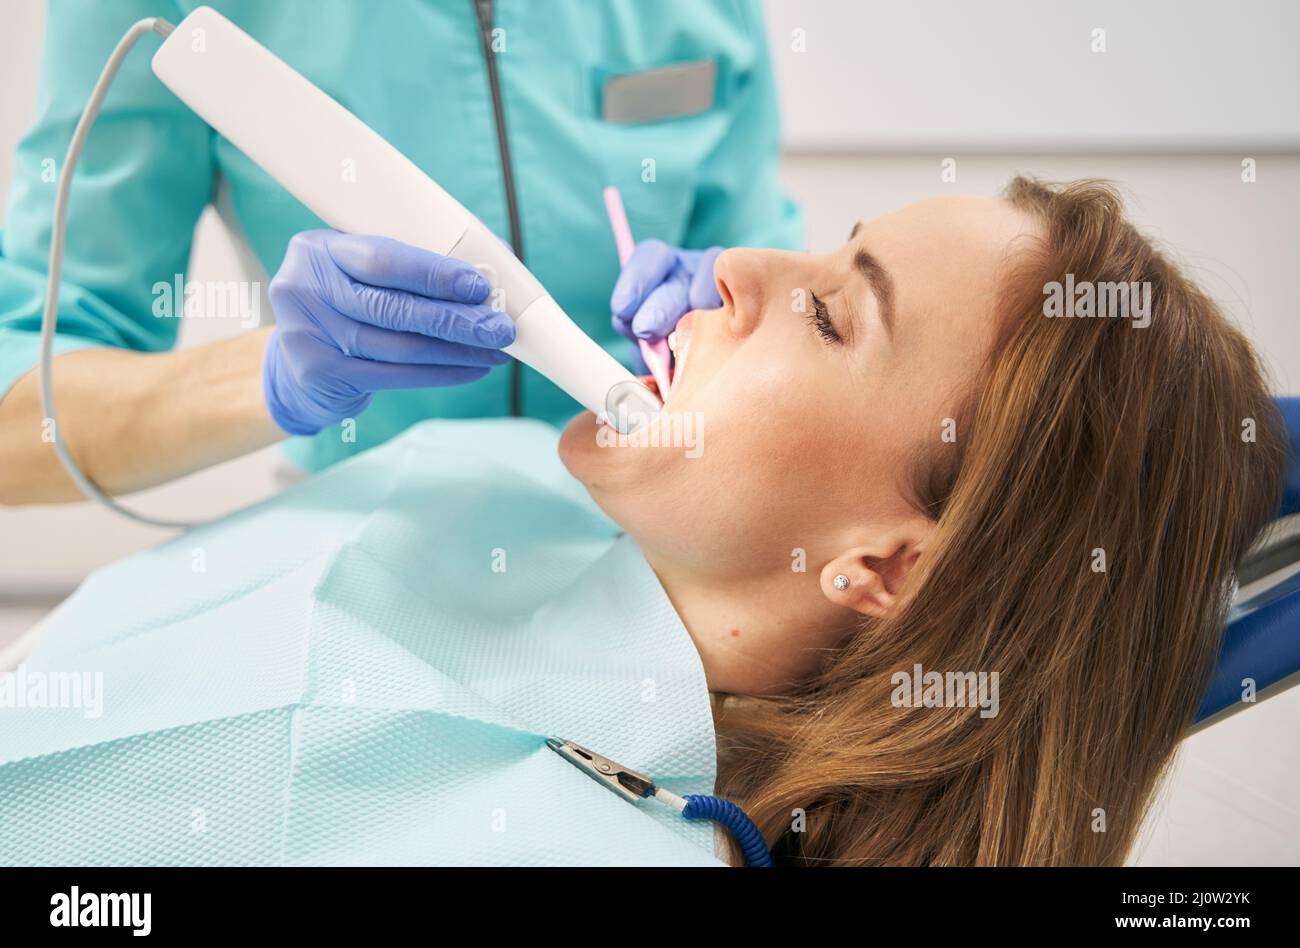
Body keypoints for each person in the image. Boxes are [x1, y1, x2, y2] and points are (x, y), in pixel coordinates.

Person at [1, 178, 1287, 865]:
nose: (729, 265)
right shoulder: (486, 470)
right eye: (829, 249)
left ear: (886, 565)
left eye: (834, 310)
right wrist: (259, 375)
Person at [0, 0, 800, 504]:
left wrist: (752, 315)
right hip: (371, 566)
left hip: (666, 555)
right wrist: (278, 373)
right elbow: (15, 430)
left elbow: (785, 286)